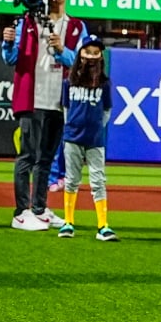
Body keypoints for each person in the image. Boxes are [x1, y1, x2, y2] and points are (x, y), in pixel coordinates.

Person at [2, 0, 87, 230]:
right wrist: (6, 44)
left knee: (47, 159)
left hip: (59, 101)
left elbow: (80, 62)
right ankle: (20, 212)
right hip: (32, 98)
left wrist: (62, 50)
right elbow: (10, 58)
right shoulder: (27, 21)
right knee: (27, 155)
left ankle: (39, 208)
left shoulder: (76, 27)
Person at [57, 40, 116, 240]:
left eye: (95, 52)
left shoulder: (105, 83)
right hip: (72, 138)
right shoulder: (69, 81)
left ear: (100, 56)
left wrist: (97, 128)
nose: (91, 56)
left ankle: (102, 226)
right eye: (88, 51)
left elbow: (107, 110)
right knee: (72, 180)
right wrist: (71, 127)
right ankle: (68, 223)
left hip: (95, 140)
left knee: (98, 181)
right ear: (80, 54)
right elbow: (65, 108)